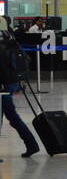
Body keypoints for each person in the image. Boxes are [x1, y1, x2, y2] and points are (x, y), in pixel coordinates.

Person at [0, 23, 40, 161]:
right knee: (12, 115)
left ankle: (31, 144)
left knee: (7, 115)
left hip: (2, 84)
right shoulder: (8, 36)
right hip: (12, 82)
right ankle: (31, 144)